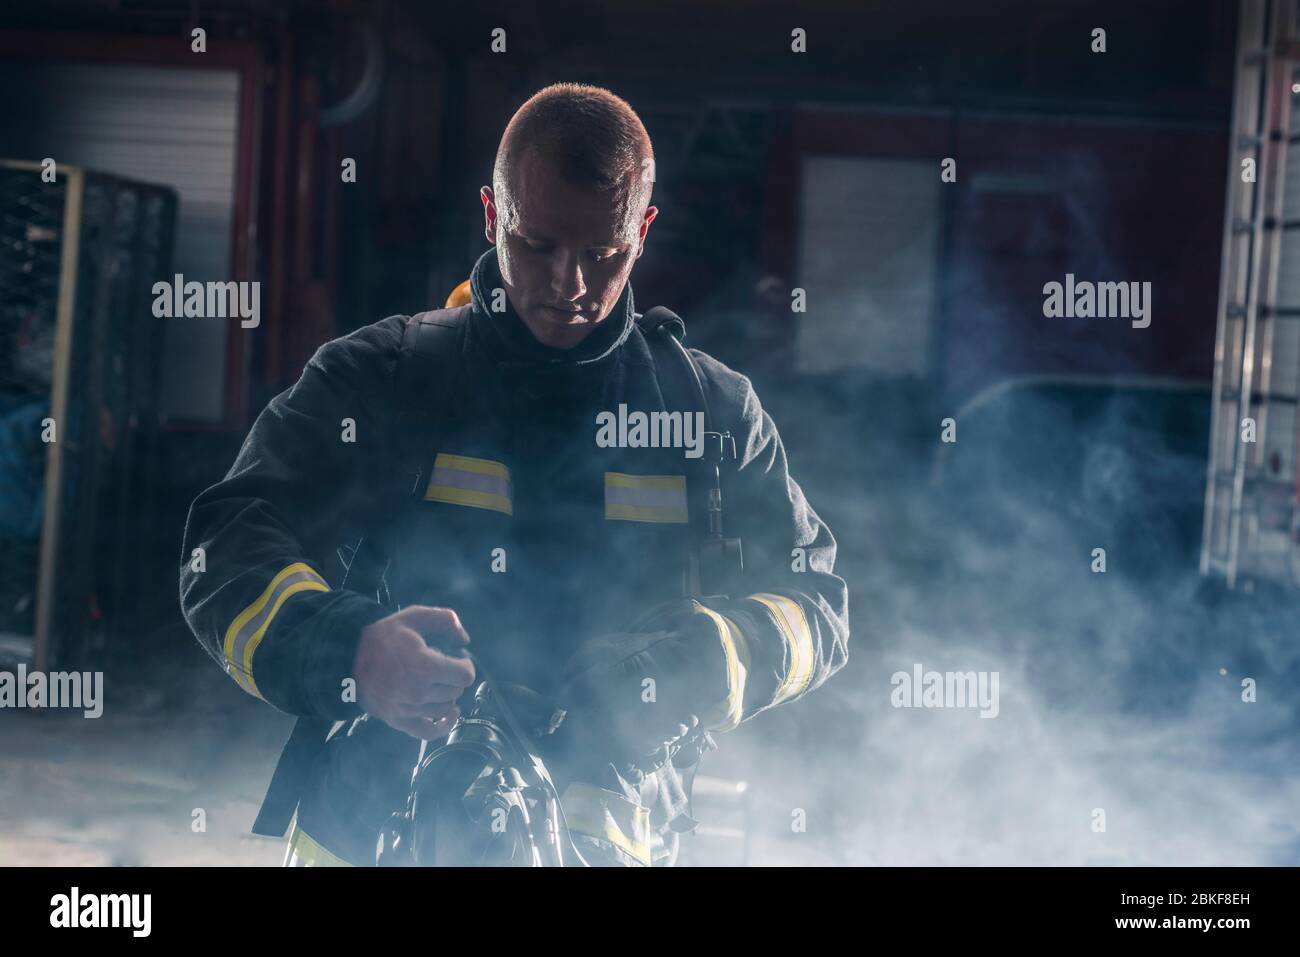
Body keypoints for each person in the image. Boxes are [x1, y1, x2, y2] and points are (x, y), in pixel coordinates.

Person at [179, 82, 849, 866]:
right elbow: (221, 546)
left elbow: (818, 604)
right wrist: (352, 650)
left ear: (644, 232)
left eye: (604, 254)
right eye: (537, 244)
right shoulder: (385, 378)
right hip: (376, 827)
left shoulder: (709, 413)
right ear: (494, 216)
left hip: (608, 833)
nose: (569, 285)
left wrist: (703, 661)